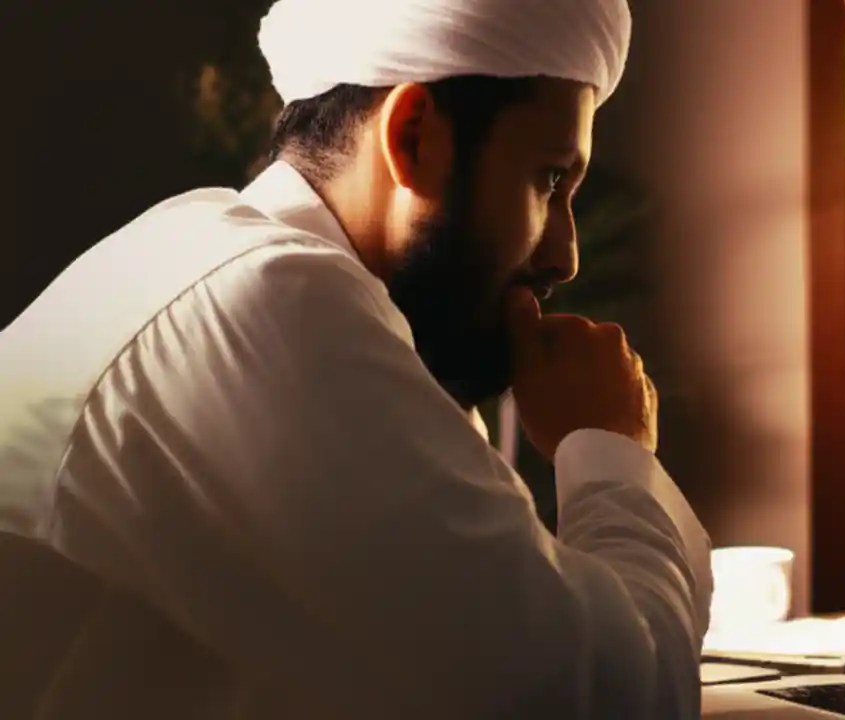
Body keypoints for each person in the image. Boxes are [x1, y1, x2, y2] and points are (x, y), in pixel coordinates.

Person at [0, 1, 712, 717]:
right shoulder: (274, 302)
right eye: (550, 180)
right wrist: (610, 449)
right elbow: (616, 701)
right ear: (413, 137)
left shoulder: (216, 260)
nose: (565, 255)